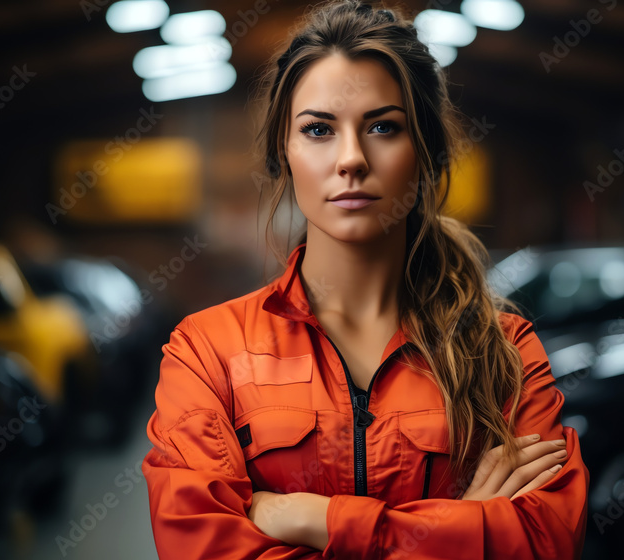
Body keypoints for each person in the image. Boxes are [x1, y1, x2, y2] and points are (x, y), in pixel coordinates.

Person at [141, 1, 589, 558]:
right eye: (318, 130)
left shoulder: (506, 352)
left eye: (383, 127)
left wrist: (312, 518)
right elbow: (204, 548)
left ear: (424, 152)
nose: (351, 158)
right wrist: (466, 526)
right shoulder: (207, 353)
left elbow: (545, 540)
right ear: (284, 154)